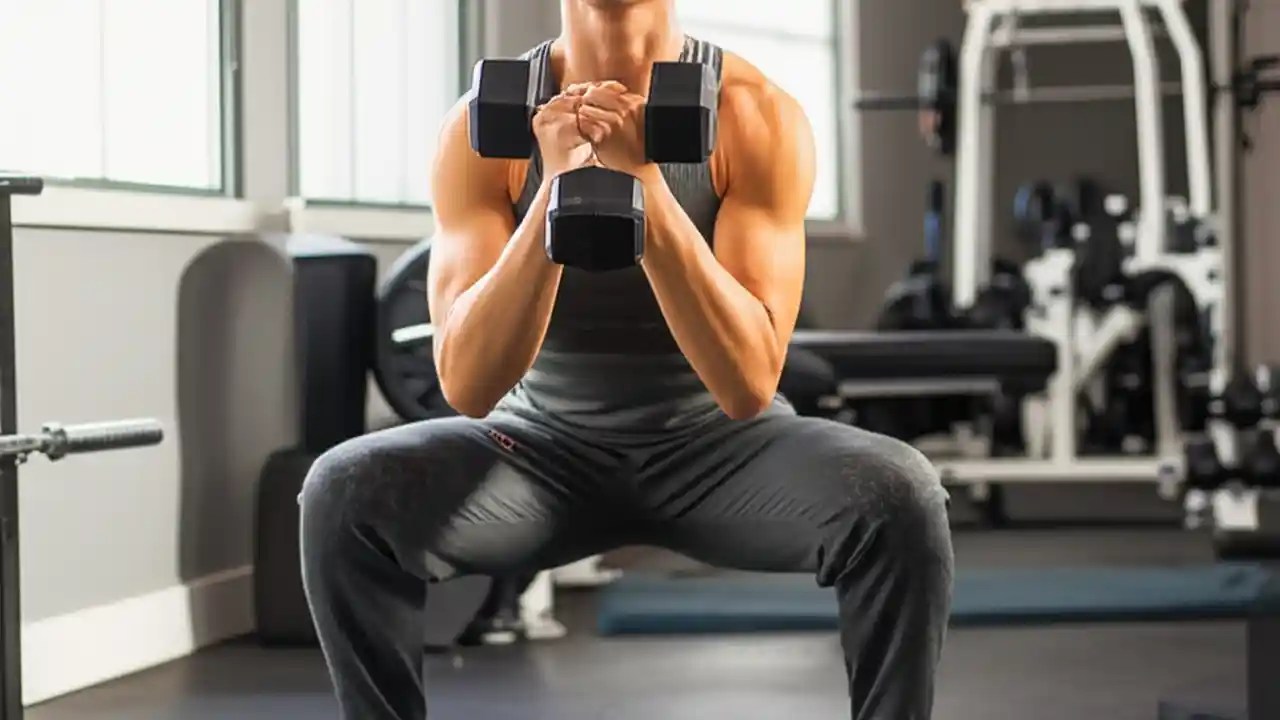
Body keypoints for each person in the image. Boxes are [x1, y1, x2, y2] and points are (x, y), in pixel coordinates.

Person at [298, 1, 954, 718]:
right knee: (343, 492)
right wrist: (556, 186)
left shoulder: (753, 113)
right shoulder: (481, 126)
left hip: (725, 451)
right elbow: (467, 383)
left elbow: (745, 384)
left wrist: (647, 183)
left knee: (900, 497)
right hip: (537, 451)